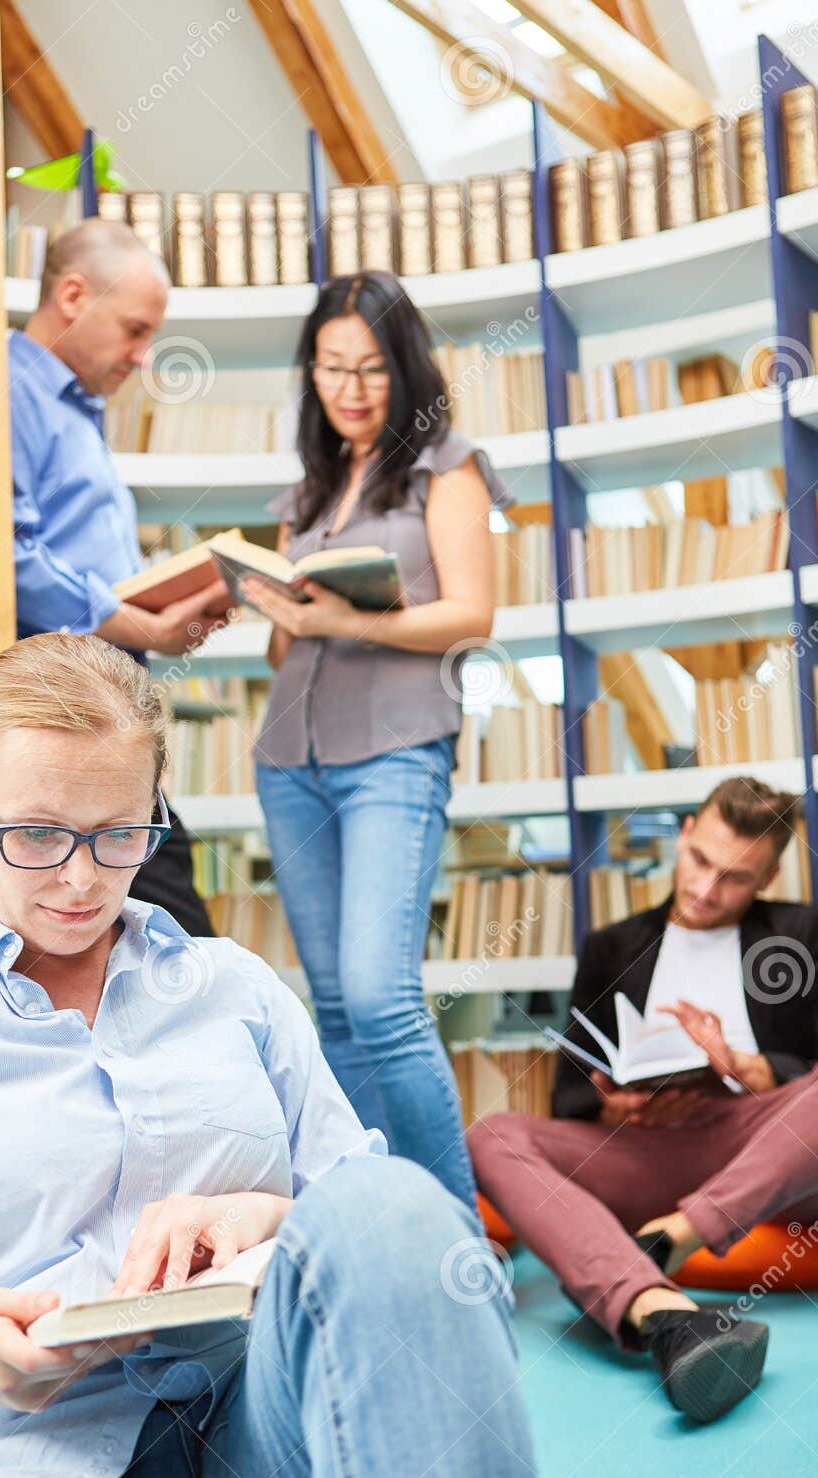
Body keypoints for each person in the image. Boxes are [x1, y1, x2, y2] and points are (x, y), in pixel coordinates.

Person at [0, 633, 544, 1478]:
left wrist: (265, 1218)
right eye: (36, 834)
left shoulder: (234, 988)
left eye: (117, 835)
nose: (78, 880)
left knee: (397, 1209)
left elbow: (371, 1229)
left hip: (257, 1440)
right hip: (8, 1470)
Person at [469, 776, 818, 1425]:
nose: (706, 890)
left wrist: (743, 1067)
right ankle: (667, 1316)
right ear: (683, 836)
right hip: (645, 1152)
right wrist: (611, 1108)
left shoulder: (807, 933)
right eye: (700, 861)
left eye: (734, 878)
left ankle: (677, 1238)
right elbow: (568, 1090)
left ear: (765, 879)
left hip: (770, 1147)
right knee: (493, 1136)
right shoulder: (613, 947)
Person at [244, 270, 508, 1212]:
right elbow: (288, 644)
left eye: (369, 369)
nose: (348, 389)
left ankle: (455, 1230)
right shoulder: (309, 488)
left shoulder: (448, 461)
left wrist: (343, 624)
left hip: (395, 750)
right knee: (339, 1016)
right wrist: (275, 603)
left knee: (382, 995)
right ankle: (381, 1229)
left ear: (403, 367)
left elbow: (470, 615)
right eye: (328, 367)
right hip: (290, 761)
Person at [9, 217, 227, 936]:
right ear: (73, 294)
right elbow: (7, 555)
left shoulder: (77, 409)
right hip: (59, 706)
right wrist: (138, 623)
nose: (142, 356)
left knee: (145, 915)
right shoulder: (8, 389)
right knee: (171, 924)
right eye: (134, 330)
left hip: (105, 701)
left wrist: (165, 610)